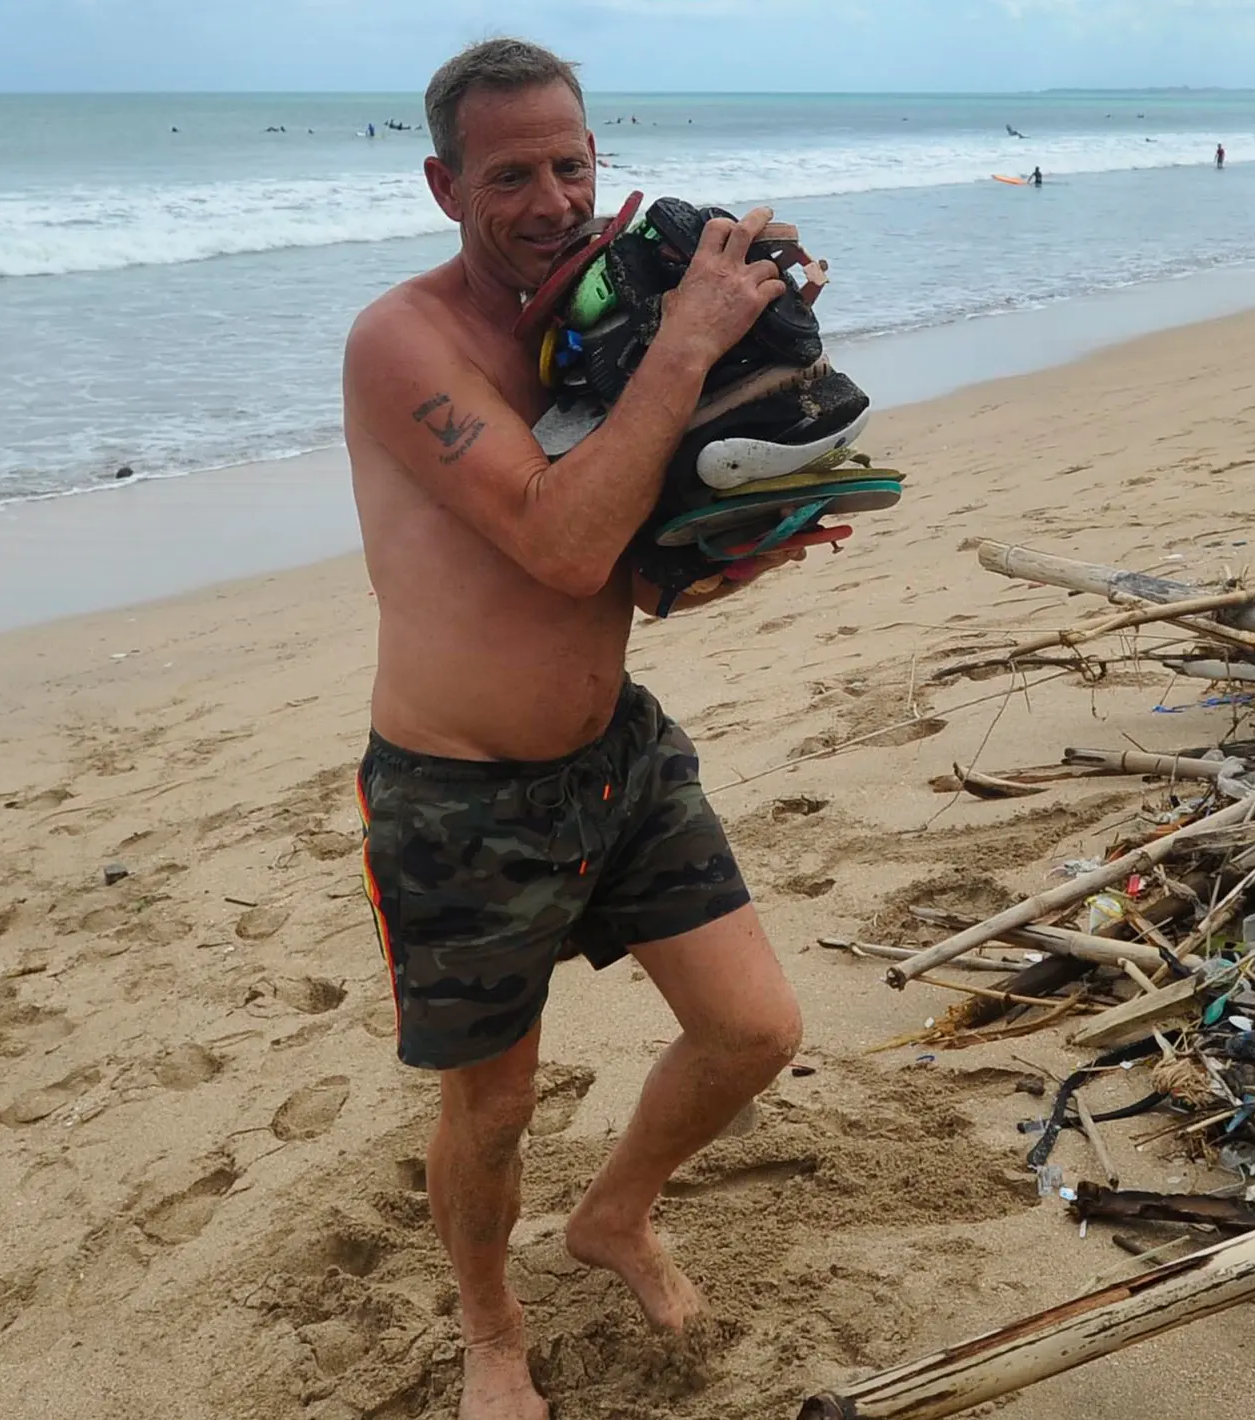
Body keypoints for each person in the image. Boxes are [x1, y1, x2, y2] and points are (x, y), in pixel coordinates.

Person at [341, 37, 805, 1420]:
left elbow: (630, 564)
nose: (550, 201)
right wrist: (685, 340)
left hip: (619, 763)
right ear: (441, 184)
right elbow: (552, 544)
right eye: (509, 175)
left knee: (754, 1030)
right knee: (492, 1108)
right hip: (459, 798)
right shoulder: (401, 343)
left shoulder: (599, 315)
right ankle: (493, 1335)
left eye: (571, 164)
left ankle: (613, 1216)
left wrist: (755, 530)